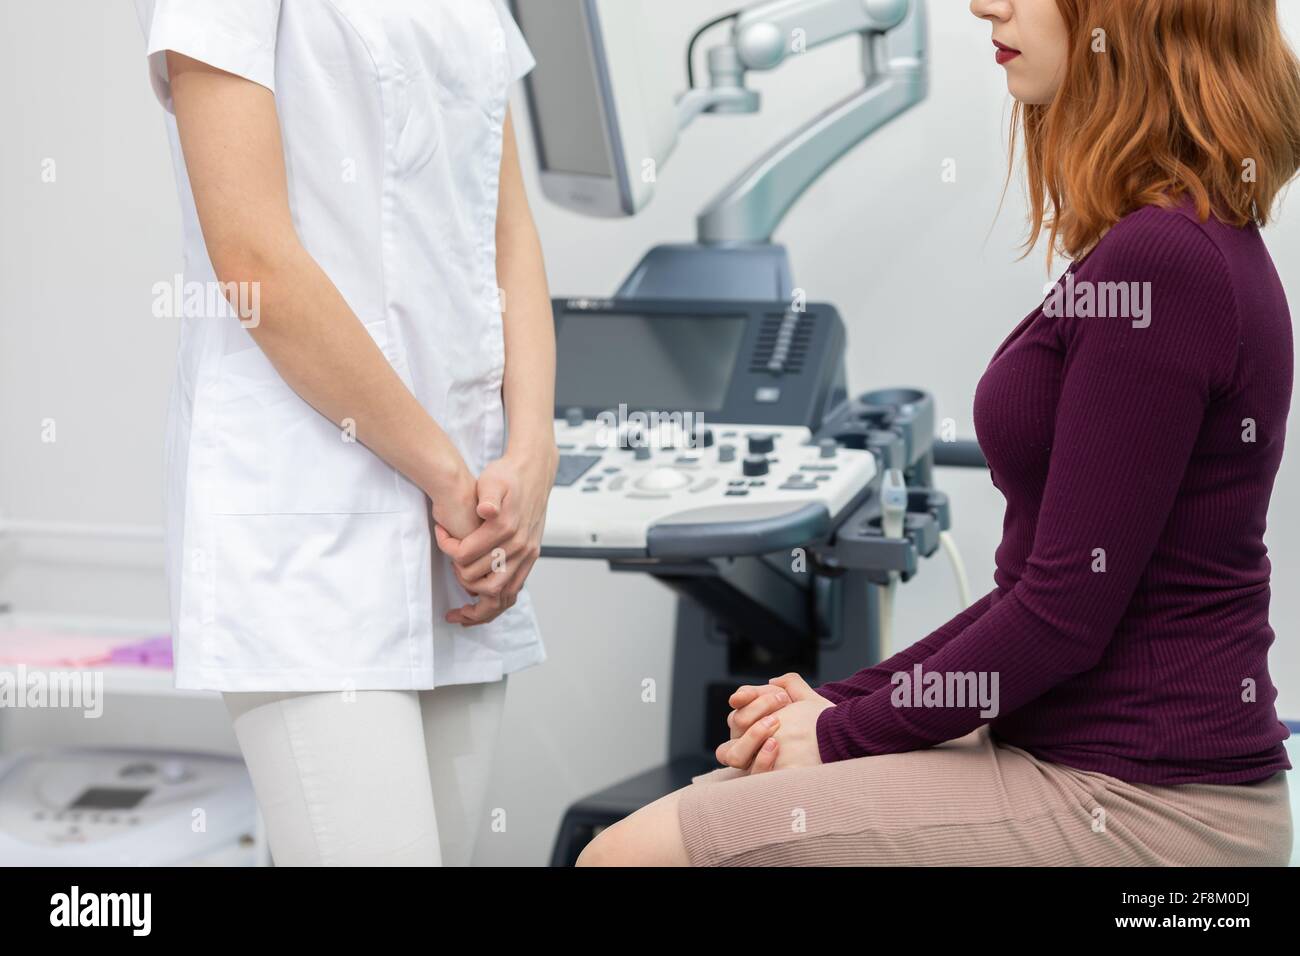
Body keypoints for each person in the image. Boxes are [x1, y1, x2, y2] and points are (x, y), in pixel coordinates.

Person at [580, 0, 1300, 867]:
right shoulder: (1172, 245)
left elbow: (1062, 616)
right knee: (715, 800)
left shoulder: (1165, 261)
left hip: (1148, 808)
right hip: (1082, 762)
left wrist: (843, 730)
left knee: (627, 856)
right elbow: (1041, 586)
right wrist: (836, 704)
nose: (984, 4)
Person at [133, 0, 557, 866]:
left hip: (464, 526)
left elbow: (505, 229)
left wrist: (534, 449)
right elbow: (254, 261)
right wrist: (449, 476)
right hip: (308, 515)